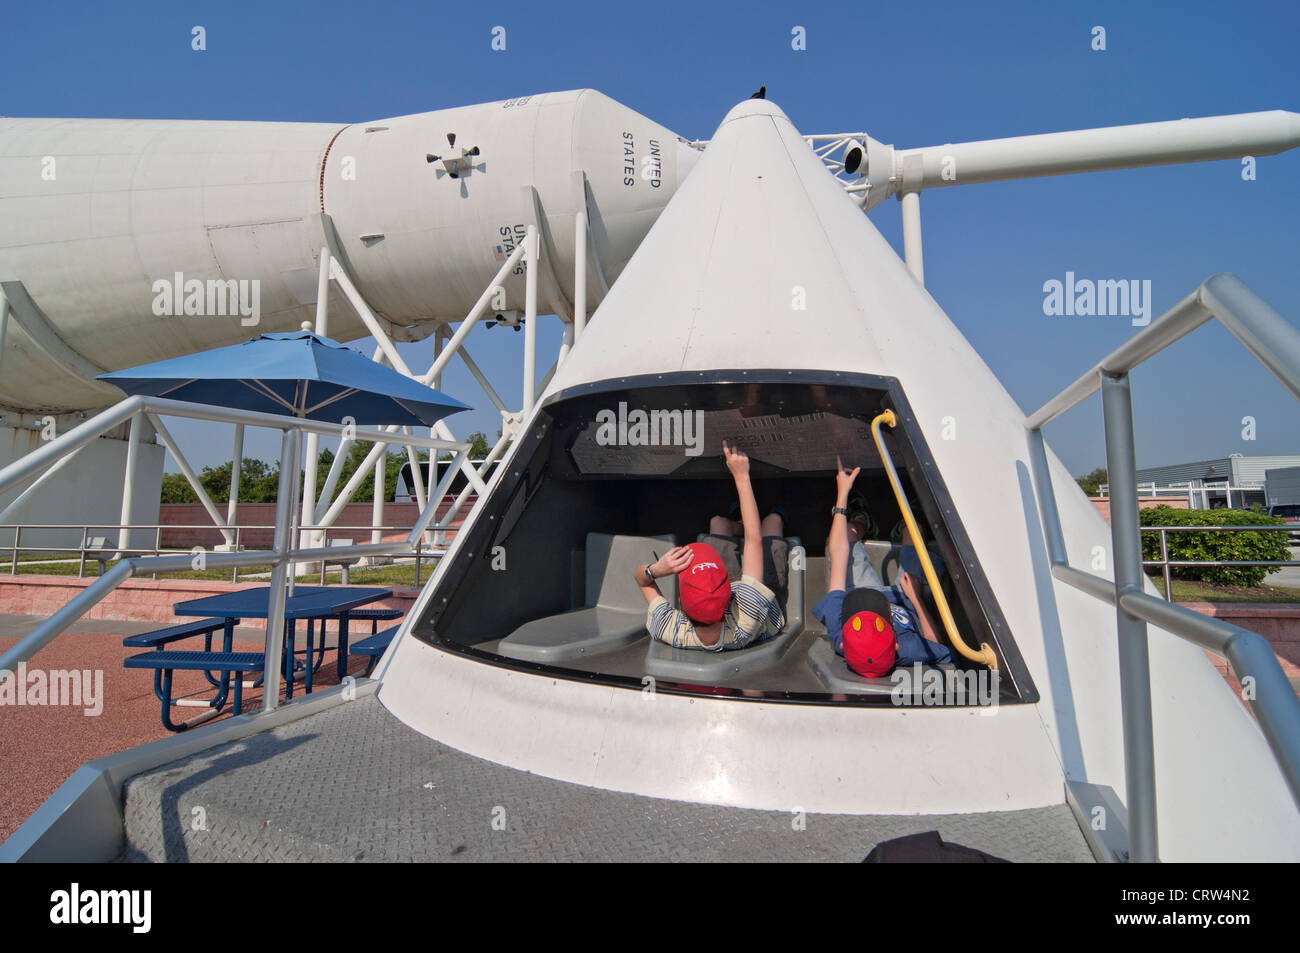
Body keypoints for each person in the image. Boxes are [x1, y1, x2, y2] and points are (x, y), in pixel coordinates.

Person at [634, 441, 784, 651]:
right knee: (773, 521)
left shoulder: (672, 629)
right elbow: (754, 540)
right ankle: (770, 512)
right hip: (764, 608)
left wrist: (655, 569)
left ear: (681, 604)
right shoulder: (748, 617)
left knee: (718, 523)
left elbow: (642, 580)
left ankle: (737, 523)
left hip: (723, 602)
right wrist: (741, 476)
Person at [812, 457, 952, 677]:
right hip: (908, 597)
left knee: (845, 533)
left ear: (843, 646)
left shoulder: (841, 632)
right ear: (895, 646)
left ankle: (863, 522)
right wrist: (915, 598)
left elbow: (839, 554)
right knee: (913, 532)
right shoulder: (906, 650)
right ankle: (908, 522)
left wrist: (842, 494)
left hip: (854, 593)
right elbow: (935, 644)